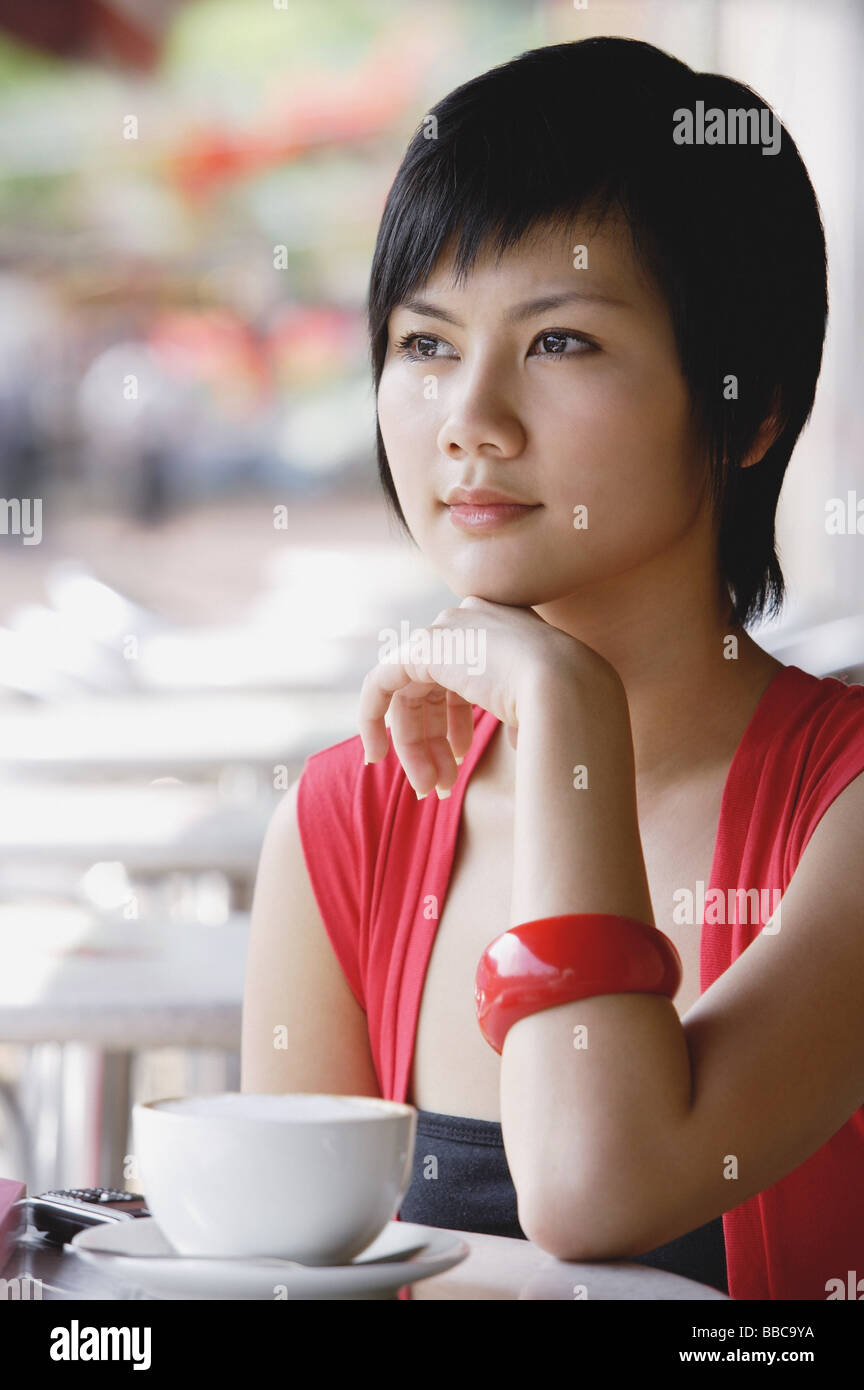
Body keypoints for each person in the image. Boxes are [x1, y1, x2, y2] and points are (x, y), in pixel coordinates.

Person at [241, 37, 864, 1301]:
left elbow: (598, 1189)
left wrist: (565, 711)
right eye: (424, 344)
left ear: (746, 413)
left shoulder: (841, 812)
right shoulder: (344, 820)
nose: (469, 415)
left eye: (561, 342)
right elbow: (289, 1279)